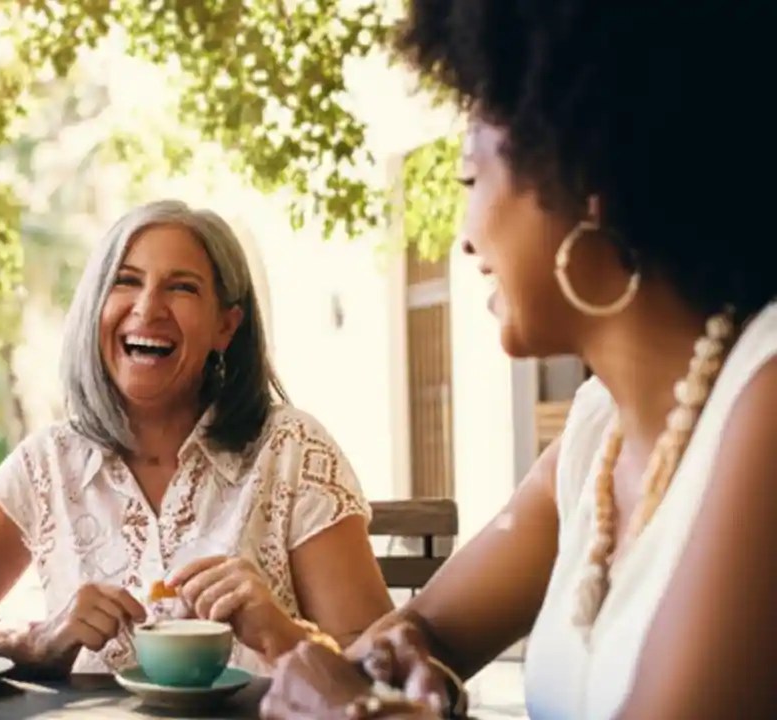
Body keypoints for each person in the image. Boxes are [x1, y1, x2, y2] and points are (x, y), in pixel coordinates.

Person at [262, 1, 777, 718]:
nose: (464, 240)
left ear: (582, 167)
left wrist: (352, 712)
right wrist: (400, 654)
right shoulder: (600, 436)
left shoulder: (766, 401)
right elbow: (429, 626)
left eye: (470, 180)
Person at [0, 200, 392, 677]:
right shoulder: (49, 463)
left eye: (183, 287)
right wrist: (30, 643)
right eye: (126, 281)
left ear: (226, 326)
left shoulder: (292, 451)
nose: (148, 308)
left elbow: (383, 670)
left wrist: (281, 635)